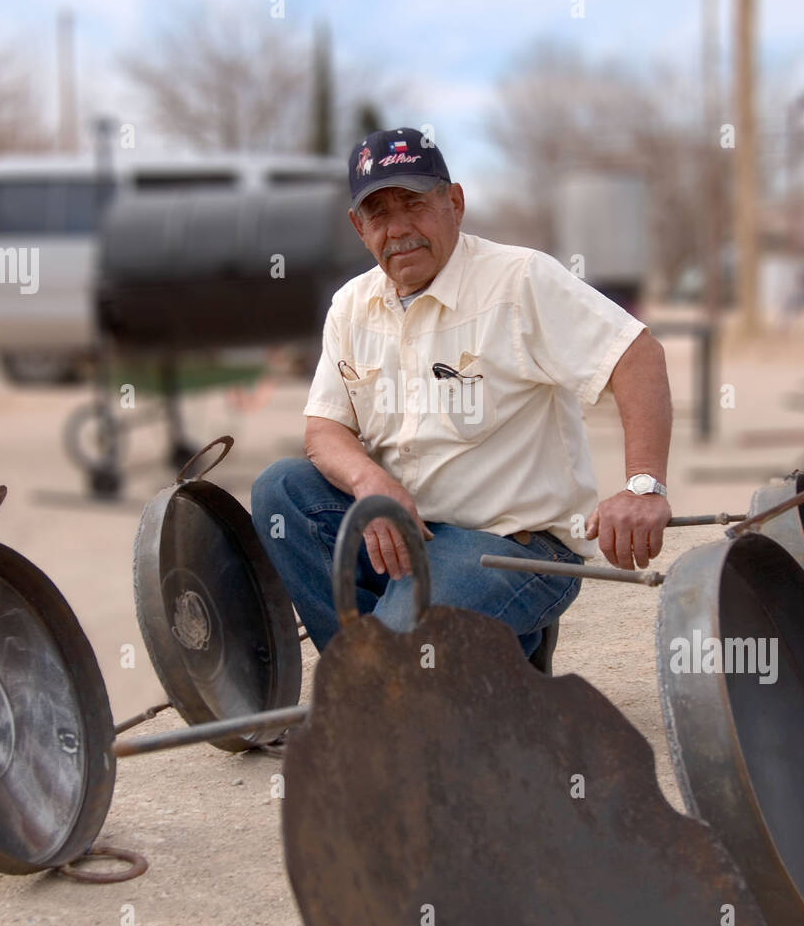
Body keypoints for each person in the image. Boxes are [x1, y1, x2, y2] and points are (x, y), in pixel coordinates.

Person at [251, 126, 672, 662]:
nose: (399, 228)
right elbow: (324, 428)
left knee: (393, 664)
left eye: (414, 203)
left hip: (511, 547)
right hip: (411, 540)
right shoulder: (351, 306)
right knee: (281, 489)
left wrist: (642, 487)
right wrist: (369, 480)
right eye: (379, 213)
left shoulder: (518, 281)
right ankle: (385, 674)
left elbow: (637, 355)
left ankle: (423, 666)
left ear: (455, 203)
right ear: (359, 227)